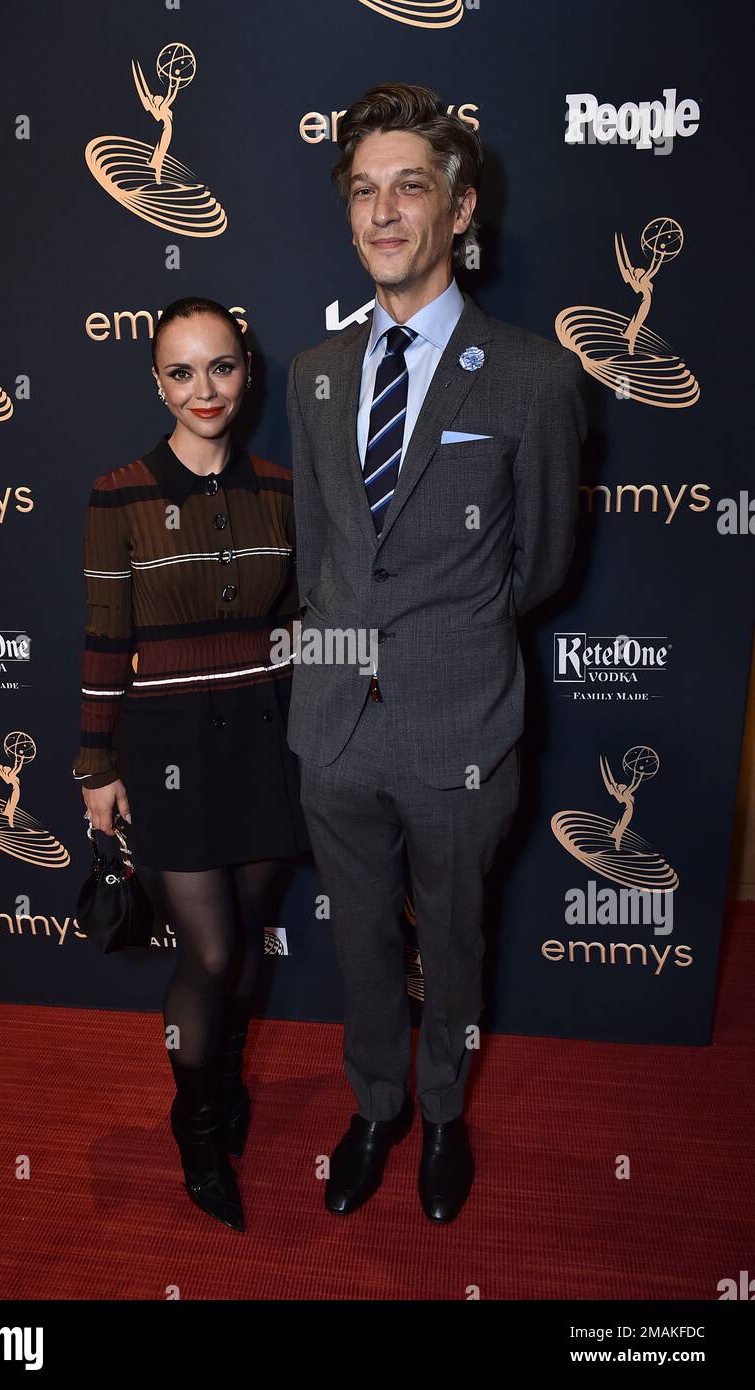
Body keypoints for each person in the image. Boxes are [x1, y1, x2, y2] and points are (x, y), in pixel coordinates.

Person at [285, 83, 587, 1223]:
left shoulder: (532, 376)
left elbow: (540, 564)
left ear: (458, 210)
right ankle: (377, 1105)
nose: (383, 211)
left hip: (458, 724)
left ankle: (446, 1113)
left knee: (451, 939)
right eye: (363, 191)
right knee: (359, 940)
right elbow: (320, 558)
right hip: (332, 730)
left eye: (409, 186)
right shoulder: (316, 378)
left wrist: (444, 638)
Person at [72, 298, 309, 1232]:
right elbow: (103, 635)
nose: (202, 389)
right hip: (164, 749)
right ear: (156, 383)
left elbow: (299, 622)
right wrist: (95, 766)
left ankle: (228, 1083)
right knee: (208, 951)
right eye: (181, 371)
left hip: (265, 739)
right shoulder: (118, 491)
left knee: (247, 939)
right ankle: (197, 1121)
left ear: (246, 372)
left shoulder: (284, 488)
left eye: (219, 368)